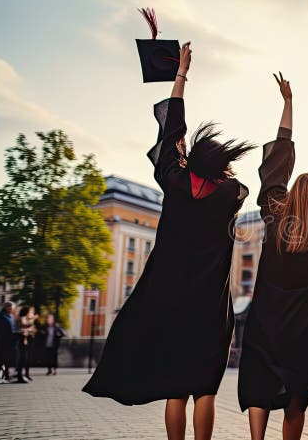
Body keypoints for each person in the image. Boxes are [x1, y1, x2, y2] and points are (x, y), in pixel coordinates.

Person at [83, 42, 254, 440]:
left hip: (170, 304)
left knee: (175, 390)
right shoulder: (233, 195)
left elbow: (171, 130)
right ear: (222, 164)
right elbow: (229, 181)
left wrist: (181, 76)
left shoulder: (174, 183)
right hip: (210, 309)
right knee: (205, 390)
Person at [238, 74, 308, 440]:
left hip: (265, 325)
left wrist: (288, 104)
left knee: (258, 390)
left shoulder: (273, 219)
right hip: (306, 333)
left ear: (292, 196)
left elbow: (277, 165)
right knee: (297, 398)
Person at [0, 301, 16, 382]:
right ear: (7, 307)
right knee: (1, 358)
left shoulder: (9, 316)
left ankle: (4, 374)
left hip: (7, 341)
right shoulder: (1, 317)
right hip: (3, 342)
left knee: (5, 358)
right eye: (12, 308)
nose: (13, 309)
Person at [16, 305, 38, 382]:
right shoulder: (22, 318)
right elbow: (24, 326)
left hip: (26, 340)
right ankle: (20, 376)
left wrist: (32, 330)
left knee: (25, 358)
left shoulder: (26, 318)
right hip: (22, 340)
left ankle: (24, 375)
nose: (31, 313)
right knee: (22, 358)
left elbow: (30, 329)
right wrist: (33, 320)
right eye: (30, 312)